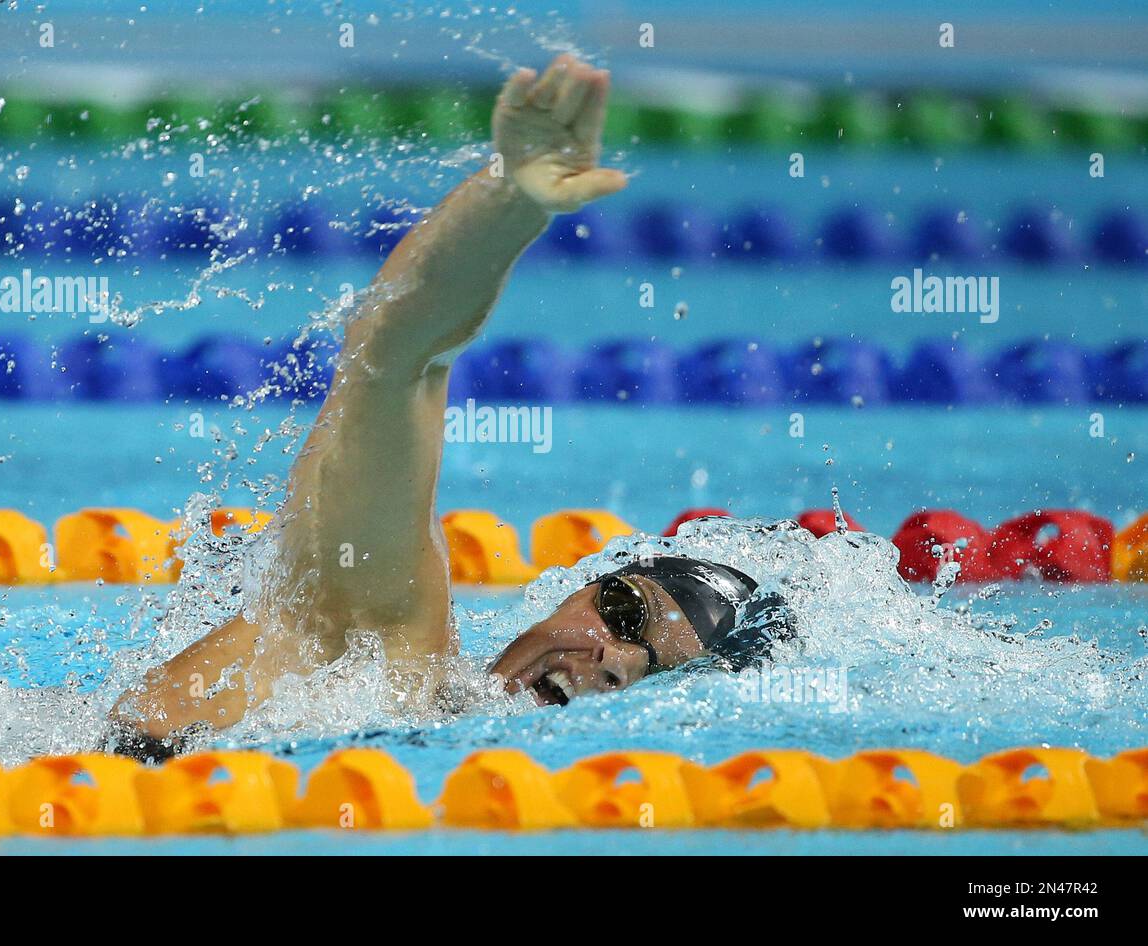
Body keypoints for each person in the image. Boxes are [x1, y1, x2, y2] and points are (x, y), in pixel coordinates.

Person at [106, 54, 791, 760]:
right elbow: (396, 358)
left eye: (662, 676)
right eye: (622, 613)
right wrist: (514, 200)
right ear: (574, 592)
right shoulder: (375, 642)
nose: (616, 662)